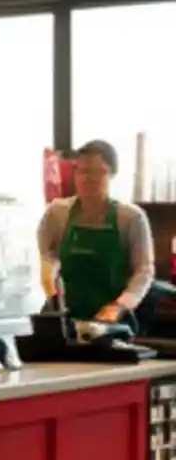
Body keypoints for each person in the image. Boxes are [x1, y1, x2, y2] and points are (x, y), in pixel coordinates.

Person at [37, 139, 155, 326]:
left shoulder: (131, 217)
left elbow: (144, 270)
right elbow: (42, 258)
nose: (87, 178)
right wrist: (51, 297)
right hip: (65, 319)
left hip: (112, 323)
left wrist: (118, 306)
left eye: (96, 172)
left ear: (112, 174)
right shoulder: (57, 213)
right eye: (82, 171)